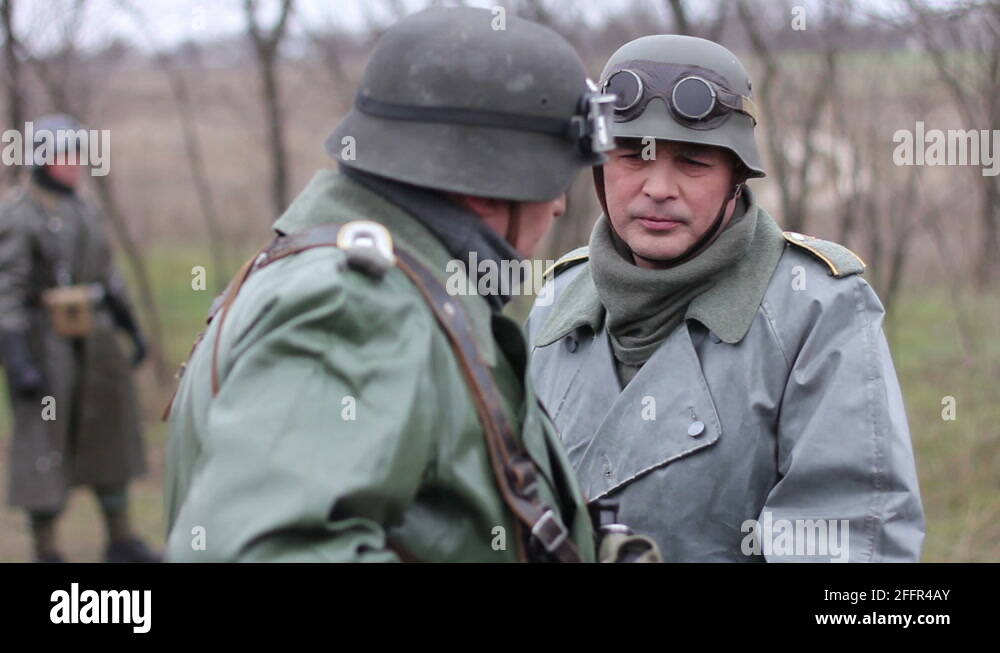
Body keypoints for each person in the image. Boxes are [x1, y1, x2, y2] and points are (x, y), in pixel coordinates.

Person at [163, 7, 642, 562]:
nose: (560, 204)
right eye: (552, 179)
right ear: (488, 185)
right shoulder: (357, 307)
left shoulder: (339, 272)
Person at [526, 35, 925, 562]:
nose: (658, 187)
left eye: (692, 162)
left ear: (736, 176)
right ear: (599, 168)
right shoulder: (557, 302)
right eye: (631, 156)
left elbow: (846, 544)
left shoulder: (817, 307)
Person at [0, 114, 157, 563]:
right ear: (41, 160)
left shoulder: (84, 208)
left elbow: (108, 275)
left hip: (96, 339)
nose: (73, 165)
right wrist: (16, 358)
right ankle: (46, 548)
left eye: (76, 156)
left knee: (111, 433)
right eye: (63, 157)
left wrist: (131, 329)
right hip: (42, 344)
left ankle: (122, 538)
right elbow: (5, 291)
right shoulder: (18, 215)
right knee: (43, 443)